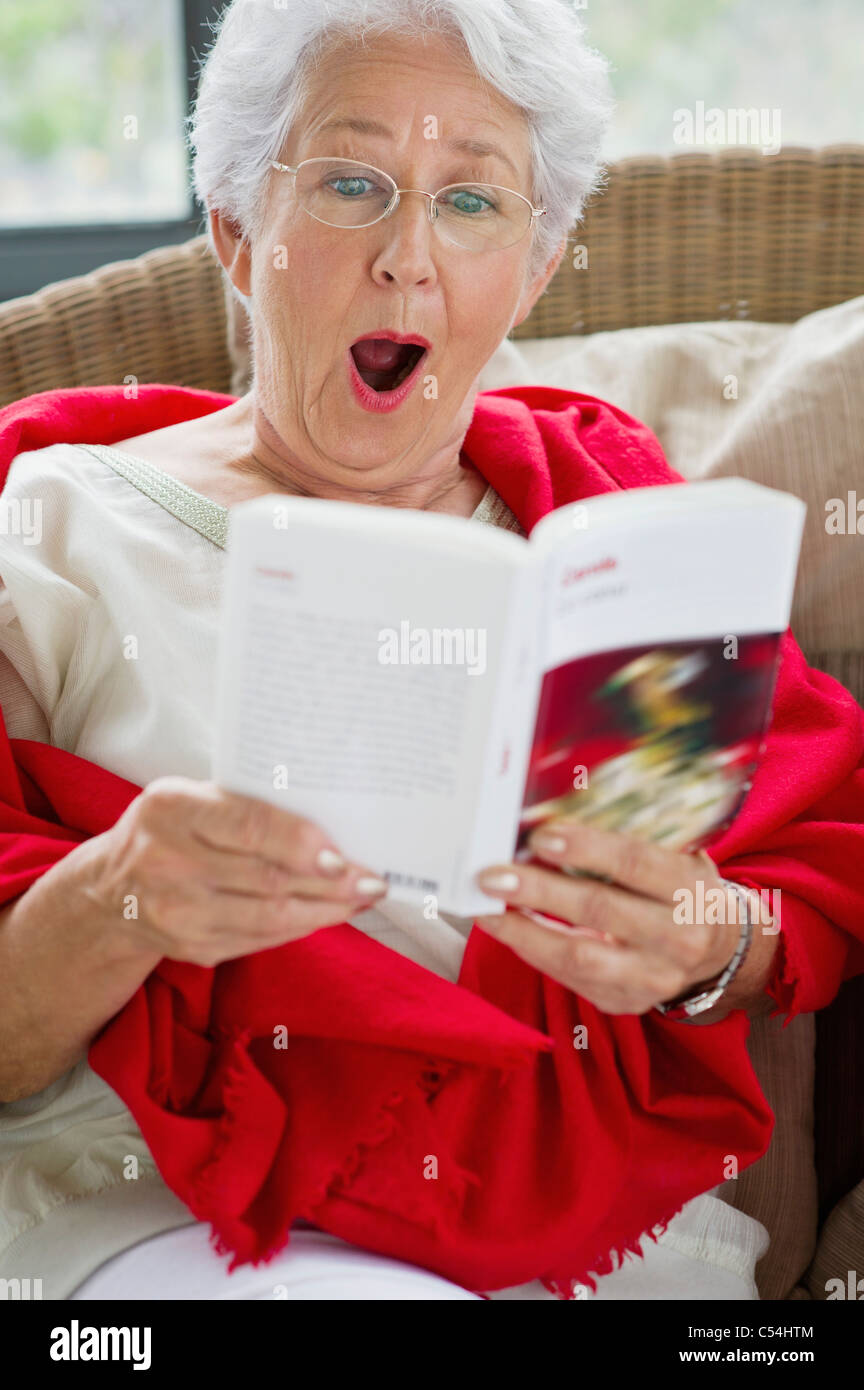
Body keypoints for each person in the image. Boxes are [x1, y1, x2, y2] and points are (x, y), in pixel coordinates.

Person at [0, 0, 860, 1302]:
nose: (410, 257)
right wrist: (117, 898)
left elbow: (803, 885)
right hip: (188, 1224)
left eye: (474, 203)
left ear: (536, 258)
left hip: (613, 1242)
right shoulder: (51, 524)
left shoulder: (617, 536)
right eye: (352, 183)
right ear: (238, 231)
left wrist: (696, 941)